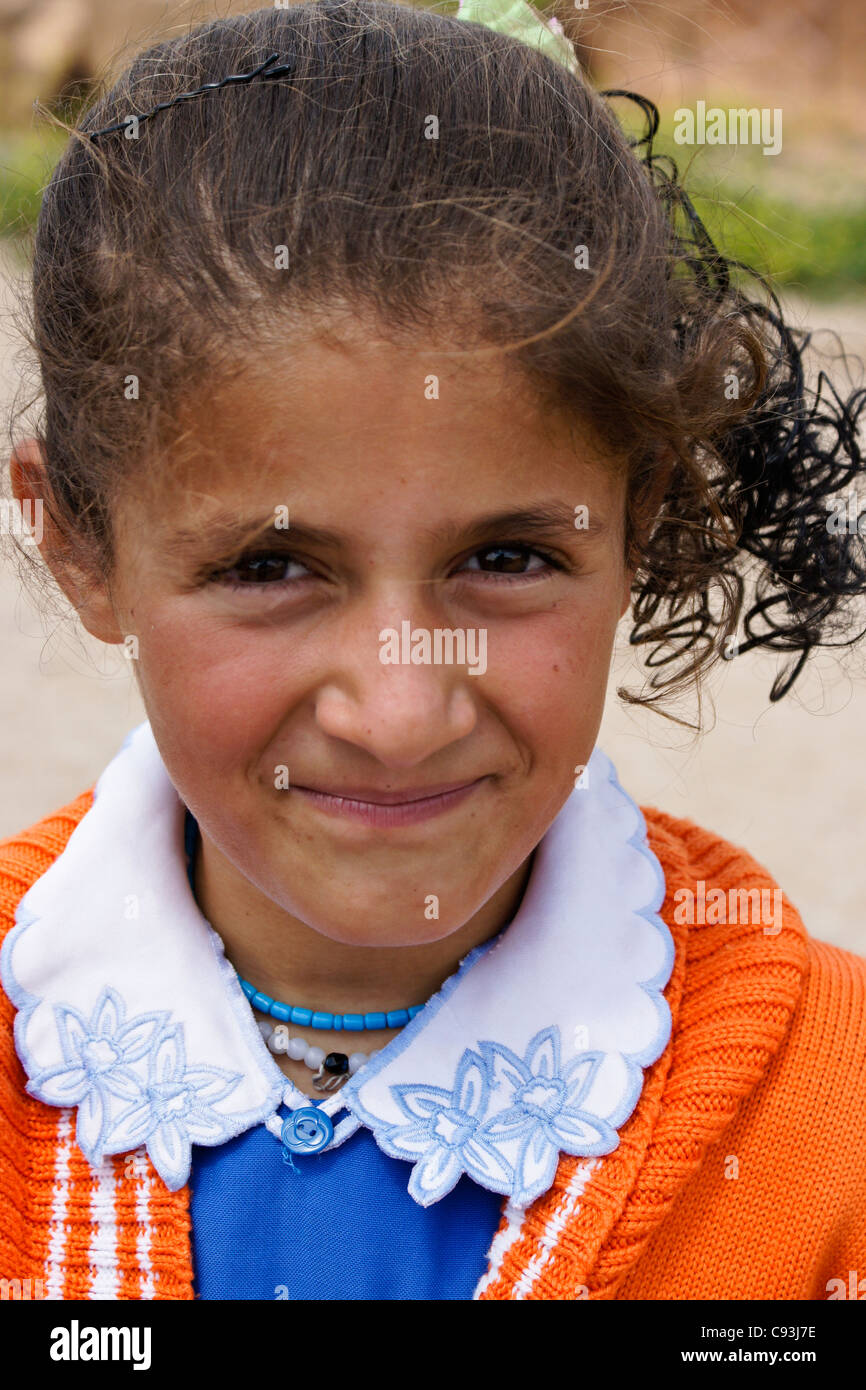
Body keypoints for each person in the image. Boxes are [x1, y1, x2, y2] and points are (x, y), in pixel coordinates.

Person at [1, 0, 865, 1301]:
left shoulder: (828, 1125)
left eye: (506, 557)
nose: (396, 713)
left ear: (640, 517)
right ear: (76, 542)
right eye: (270, 568)